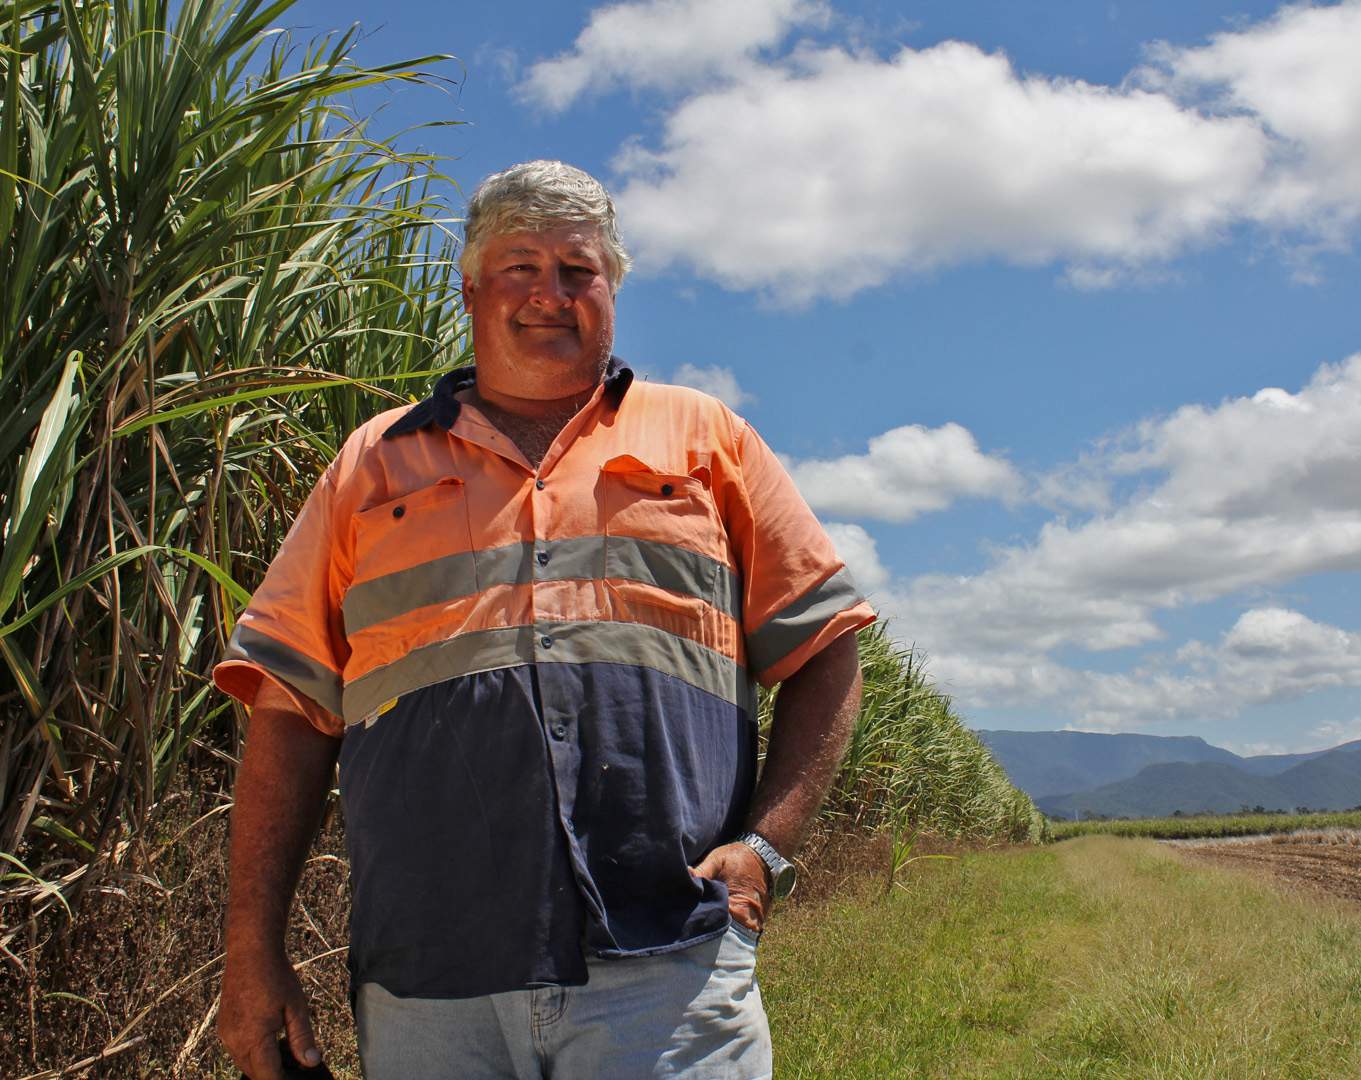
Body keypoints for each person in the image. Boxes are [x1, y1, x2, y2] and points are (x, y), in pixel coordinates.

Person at [214, 160, 874, 1079]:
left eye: (578, 269)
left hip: (667, 971)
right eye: (520, 266)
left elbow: (826, 648)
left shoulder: (704, 438)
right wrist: (253, 951)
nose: (549, 295)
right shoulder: (374, 465)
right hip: (429, 983)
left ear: (612, 288)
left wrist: (767, 848)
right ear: (472, 287)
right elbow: (288, 707)